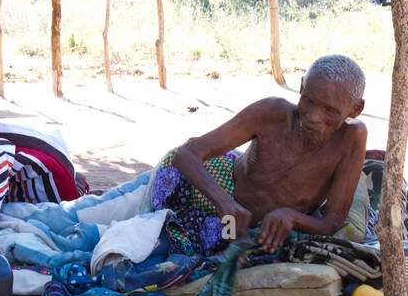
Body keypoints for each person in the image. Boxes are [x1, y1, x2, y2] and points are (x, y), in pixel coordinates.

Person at [153, 54, 368, 255]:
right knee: (180, 240)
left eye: (329, 110)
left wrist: (291, 216)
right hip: (213, 190)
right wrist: (224, 202)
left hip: (242, 225)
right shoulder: (271, 113)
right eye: (308, 101)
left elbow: (332, 222)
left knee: (219, 249)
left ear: (355, 109)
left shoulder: (351, 139)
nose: (313, 117)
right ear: (302, 86)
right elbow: (185, 155)